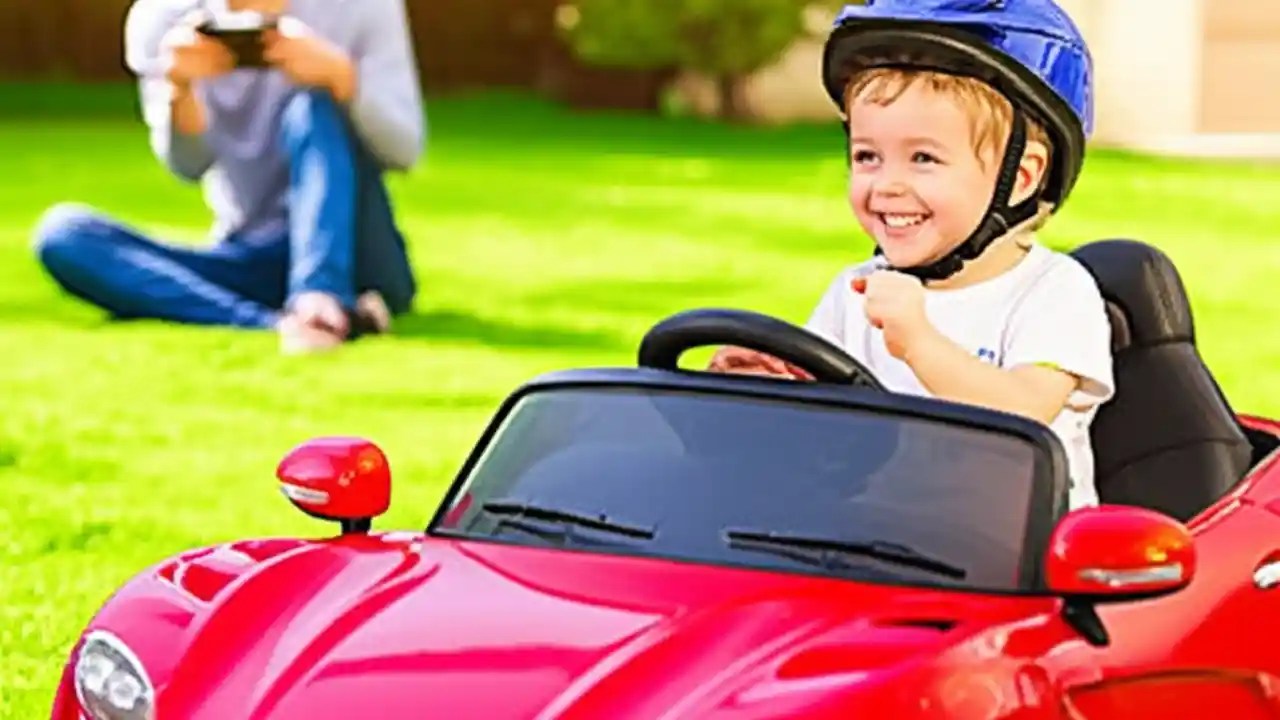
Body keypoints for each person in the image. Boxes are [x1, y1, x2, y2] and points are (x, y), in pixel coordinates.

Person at [709, 0, 1114, 511]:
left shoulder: (1055, 291)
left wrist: (918, 342)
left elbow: (1025, 415)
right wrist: (769, 389)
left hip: (1018, 560)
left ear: (1022, 177)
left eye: (923, 158)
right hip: (874, 543)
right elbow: (819, 428)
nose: (887, 185)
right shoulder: (855, 290)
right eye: (867, 156)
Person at [31, 0, 425, 353]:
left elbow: (405, 150)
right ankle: (279, 324)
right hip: (249, 253)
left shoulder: (363, 7)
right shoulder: (162, 17)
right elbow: (188, 166)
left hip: (359, 251)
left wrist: (341, 77)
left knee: (312, 107)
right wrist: (180, 87)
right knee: (64, 233)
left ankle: (320, 296)